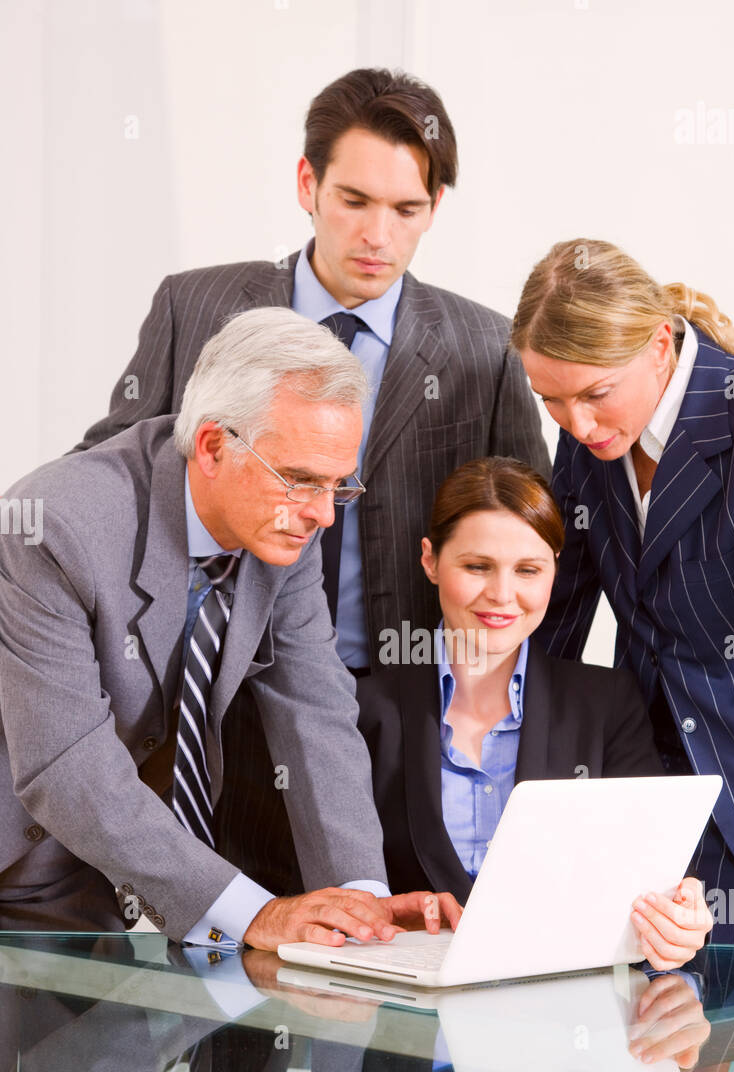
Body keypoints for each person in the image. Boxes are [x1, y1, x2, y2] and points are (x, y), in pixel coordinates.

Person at [72, 66, 548, 893]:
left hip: (400, 713)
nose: (378, 235)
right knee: (222, 940)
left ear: (435, 208)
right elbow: (113, 477)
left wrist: (491, 701)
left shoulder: (483, 349)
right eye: (354, 200)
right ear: (307, 184)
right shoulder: (195, 306)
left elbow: (531, 536)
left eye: (407, 210)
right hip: (211, 695)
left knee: (367, 946)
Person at [0, 307, 458, 950]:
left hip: (117, 878)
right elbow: (66, 765)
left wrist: (361, 904)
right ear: (214, 445)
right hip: (18, 862)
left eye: (338, 486)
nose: (323, 515)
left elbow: (317, 714)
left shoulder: (282, 532)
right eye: (299, 480)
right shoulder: (55, 525)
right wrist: (257, 913)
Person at [511, 239, 734, 952]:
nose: (575, 425)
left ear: (660, 346)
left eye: (593, 395)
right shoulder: (587, 438)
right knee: (663, 1045)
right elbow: (554, 627)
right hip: (651, 793)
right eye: (549, 399)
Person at [355, 457, 713, 969]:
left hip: (558, 1019)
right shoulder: (362, 711)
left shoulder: (606, 704)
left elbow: (651, 875)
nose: (502, 595)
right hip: (403, 1025)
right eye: (477, 566)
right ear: (430, 561)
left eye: (528, 570)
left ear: (554, 571)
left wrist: (679, 915)